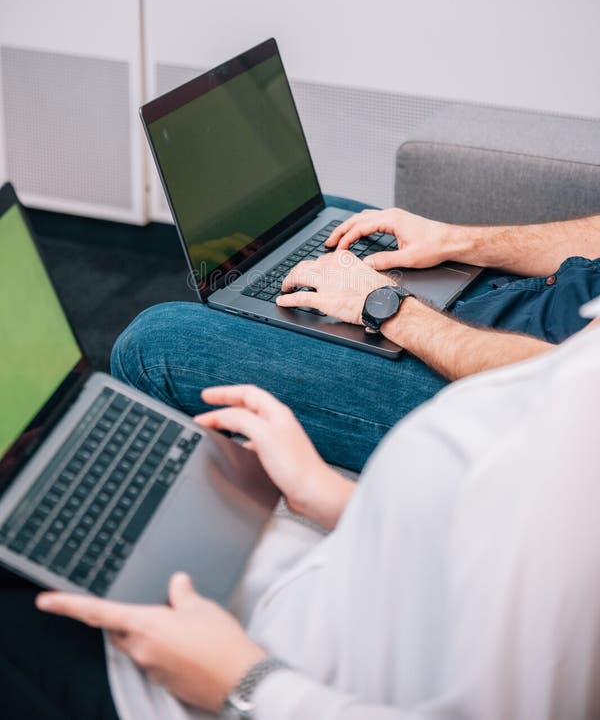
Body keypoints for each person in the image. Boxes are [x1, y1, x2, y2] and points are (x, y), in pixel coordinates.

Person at [3, 308, 599, 719]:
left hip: (239, 677)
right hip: (305, 588)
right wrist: (336, 501)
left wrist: (246, 685)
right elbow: (490, 558)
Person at [111, 199, 600, 470]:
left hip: (502, 401)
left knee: (156, 341)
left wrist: (383, 305)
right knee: (334, 223)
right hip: (535, 302)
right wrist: (457, 240)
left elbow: (563, 386)